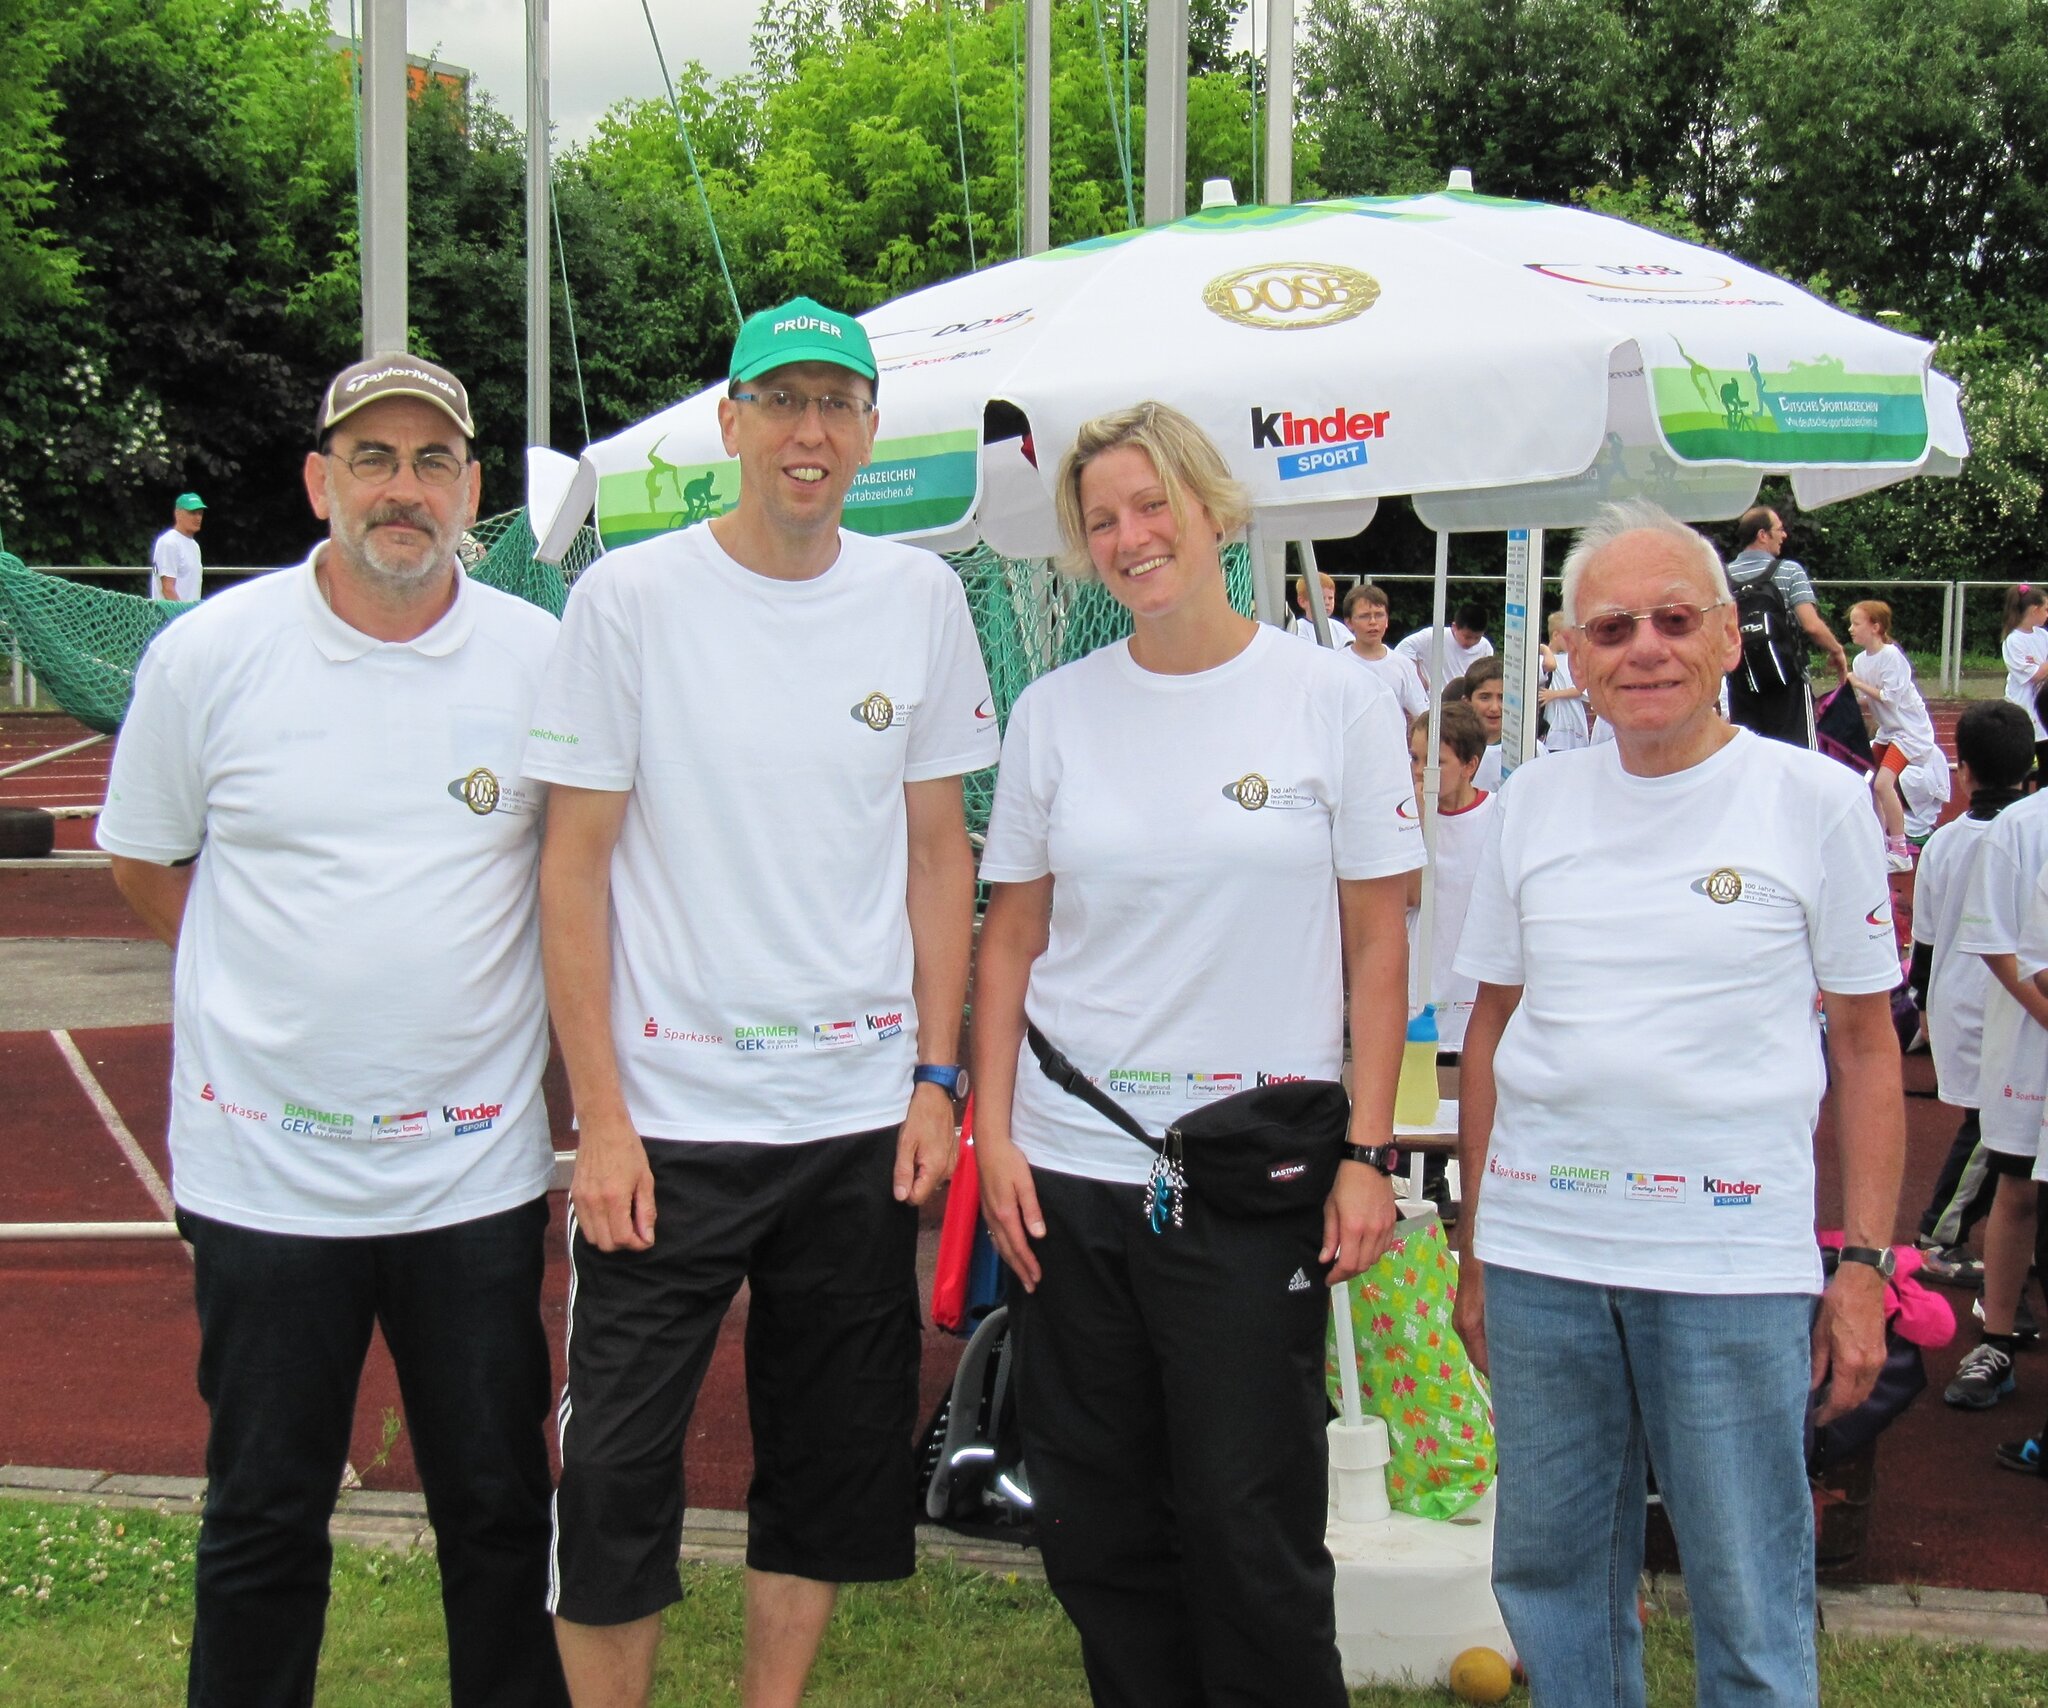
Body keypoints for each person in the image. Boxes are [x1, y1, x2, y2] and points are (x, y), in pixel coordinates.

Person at [523, 296, 997, 1708]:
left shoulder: (920, 599)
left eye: (836, 405)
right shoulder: (630, 599)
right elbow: (575, 862)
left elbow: (937, 853)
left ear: (867, 433)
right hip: (664, 1127)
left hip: (856, 1127)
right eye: (780, 403)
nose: (809, 432)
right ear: (729, 424)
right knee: (611, 1471)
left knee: (829, 1466)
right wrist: (600, 1120)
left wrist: (935, 1078)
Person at [96, 355, 567, 1706]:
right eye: (373, 459)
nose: (402, 488)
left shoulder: (543, 661)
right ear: (320, 482)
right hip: (264, 1177)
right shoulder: (206, 658)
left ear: (472, 490)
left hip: (469, 1177)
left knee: (496, 1508)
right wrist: (262, 982)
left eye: (432, 461)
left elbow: (584, 876)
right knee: (262, 1514)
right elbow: (144, 858)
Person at [972, 401, 1421, 1708]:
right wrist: (995, 1135)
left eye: (1153, 504)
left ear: (1218, 514)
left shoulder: (1332, 700)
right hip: (1075, 1169)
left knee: (1247, 1514)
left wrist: (1368, 1153)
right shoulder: (1055, 714)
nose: (1131, 536)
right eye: (1103, 518)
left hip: (1239, 1175)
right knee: (1099, 1521)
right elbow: (1011, 941)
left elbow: (1378, 947)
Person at [1453, 499, 1904, 1708]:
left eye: (1670, 619)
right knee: (1548, 1574)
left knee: (1746, 1584)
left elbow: (1866, 1049)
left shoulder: (1811, 802)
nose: (1641, 647)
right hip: (1544, 1256)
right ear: (1572, 657)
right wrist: (1477, 1250)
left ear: (1720, 638)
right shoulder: (1528, 807)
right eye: (1608, 626)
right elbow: (1489, 1030)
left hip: (1728, 1260)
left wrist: (1861, 1261)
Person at [1910, 701, 2035, 1285]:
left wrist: (1923, 1007)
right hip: (2006, 1006)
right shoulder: (2029, 837)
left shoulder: (1943, 843)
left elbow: (1926, 942)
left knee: (1997, 1131)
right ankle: (1939, 1234)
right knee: (1994, 1133)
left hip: (1959, 998)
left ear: (1963, 773)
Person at [1946, 738, 2048, 1410]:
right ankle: (1999, 1337)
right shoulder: (2020, 827)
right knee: (2017, 1189)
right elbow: (1994, 941)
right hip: (2029, 1050)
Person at [1723, 504, 1850, 748]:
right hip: (1787, 684)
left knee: (1749, 762)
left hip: (1741, 684)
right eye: (1779, 529)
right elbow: (1811, 625)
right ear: (1762, 535)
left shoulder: (1722, 576)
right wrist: (1836, 650)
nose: (1784, 535)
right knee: (1801, 761)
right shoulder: (1788, 571)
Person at [1405, 702, 1492, 1054]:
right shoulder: (1403, 817)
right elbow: (1409, 896)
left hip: (1474, 994)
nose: (1421, 771)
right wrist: (1418, 817)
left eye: (1436, 762)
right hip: (1418, 985)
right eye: (1414, 758)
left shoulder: (1498, 815)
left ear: (1470, 765)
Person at [1846, 599, 1948, 871]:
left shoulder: (1892, 657)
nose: (1851, 629)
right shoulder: (1859, 660)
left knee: (1882, 784)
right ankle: (1878, 842)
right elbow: (1868, 700)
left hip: (1909, 732)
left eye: (1857, 623)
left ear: (1876, 627)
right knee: (1868, 780)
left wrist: (1856, 683)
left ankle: (1900, 851)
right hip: (1889, 731)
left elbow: (1890, 697)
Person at [1342, 580, 1427, 719]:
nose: (1373, 622)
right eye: (1364, 616)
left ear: (1387, 620)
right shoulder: (1338, 663)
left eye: (1379, 615)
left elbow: (1422, 714)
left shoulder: (1403, 665)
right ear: (1349, 623)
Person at [1999, 584, 2048, 784]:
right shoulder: (2013, 641)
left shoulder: (2043, 635)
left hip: (2043, 708)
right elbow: (2034, 675)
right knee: (2023, 763)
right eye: (2045, 609)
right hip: (2025, 708)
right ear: (2034, 610)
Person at [1395, 600, 1492, 694]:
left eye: (1477, 638)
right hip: (1431, 702)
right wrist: (1417, 675)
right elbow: (1404, 647)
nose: (1472, 642)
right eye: (1467, 637)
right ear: (1454, 627)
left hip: (1463, 704)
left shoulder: (1485, 647)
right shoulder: (1434, 636)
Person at [1537, 609, 1591, 751]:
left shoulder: (1574, 660)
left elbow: (1580, 689)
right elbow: (1549, 666)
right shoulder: (1542, 659)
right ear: (1556, 635)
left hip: (1573, 720)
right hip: (1553, 724)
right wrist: (1544, 649)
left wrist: (1554, 695)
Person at [149, 491, 206, 601]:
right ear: (178, 514)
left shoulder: (194, 546)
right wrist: (182, 615)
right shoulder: (169, 543)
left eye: (200, 513)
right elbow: (167, 588)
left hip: (189, 614)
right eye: (192, 513)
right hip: (172, 616)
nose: (198, 518)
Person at [1289, 571, 1351, 645]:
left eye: (1330, 598)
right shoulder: (1297, 628)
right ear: (1302, 602)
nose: (1327, 602)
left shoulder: (1339, 628)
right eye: (1321, 598)